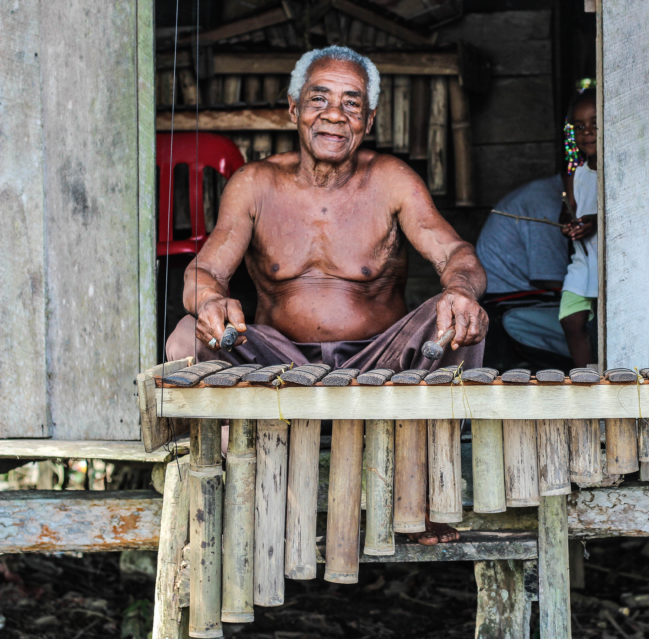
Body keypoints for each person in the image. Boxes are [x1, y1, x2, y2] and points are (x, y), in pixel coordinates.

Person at [165, 45, 488, 544]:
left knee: (458, 321)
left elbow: (455, 254)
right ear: (294, 109)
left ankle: (417, 498)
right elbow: (204, 268)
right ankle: (241, 495)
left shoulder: (391, 180)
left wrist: (461, 290)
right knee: (186, 338)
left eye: (352, 103)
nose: (335, 114)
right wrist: (209, 300)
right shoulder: (255, 184)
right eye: (320, 99)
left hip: (381, 363)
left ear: (371, 119)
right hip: (280, 364)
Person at [475, 175, 572, 368]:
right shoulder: (546, 202)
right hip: (512, 304)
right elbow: (549, 279)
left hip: (522, 301)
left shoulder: (545, 192)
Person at [559, 88, 599, 368]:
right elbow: (567, 210)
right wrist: (568, 225)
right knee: (570, 318)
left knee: (601, 325)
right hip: (583, 258)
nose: (587, 132)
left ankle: (604, 372)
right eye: (580, 126)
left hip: (607, 262)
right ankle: (585, 376)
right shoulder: (577, 175)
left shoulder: (620, 171)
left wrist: (595, 222)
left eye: (595, 124)